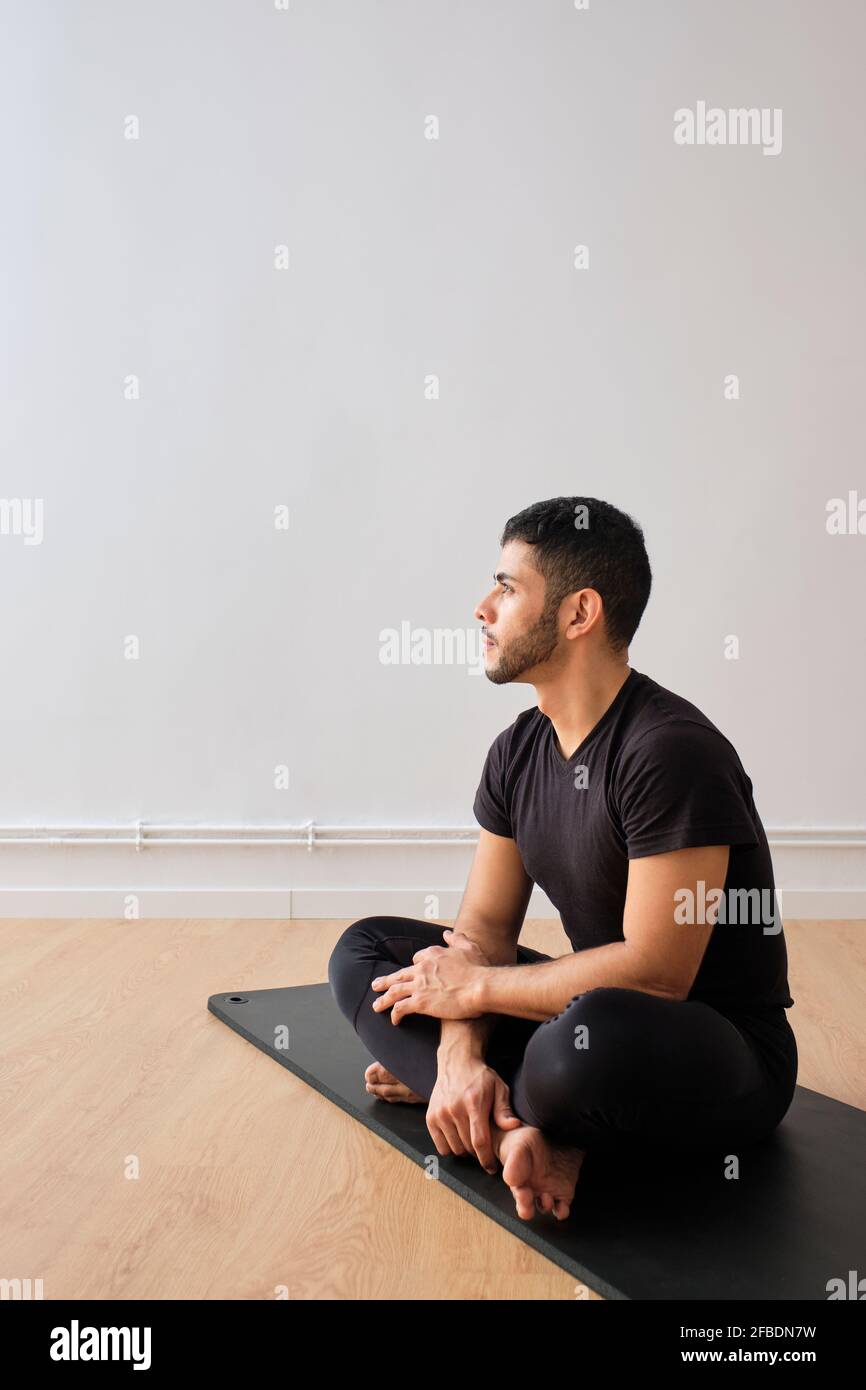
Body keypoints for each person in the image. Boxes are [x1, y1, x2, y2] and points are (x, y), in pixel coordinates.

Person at [328, 496, 798, 1223]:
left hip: (711, 1051)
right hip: (582, 1016)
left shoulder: (671, 752)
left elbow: (656, 973)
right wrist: (457, 1055)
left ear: (580, 614)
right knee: (365, 953)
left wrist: (475, 993)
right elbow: (480, 932)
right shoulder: (518, 750)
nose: (483, 607)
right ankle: (507, 1112)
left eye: (508, 588)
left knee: (578, 1049)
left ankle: (524, 1114)